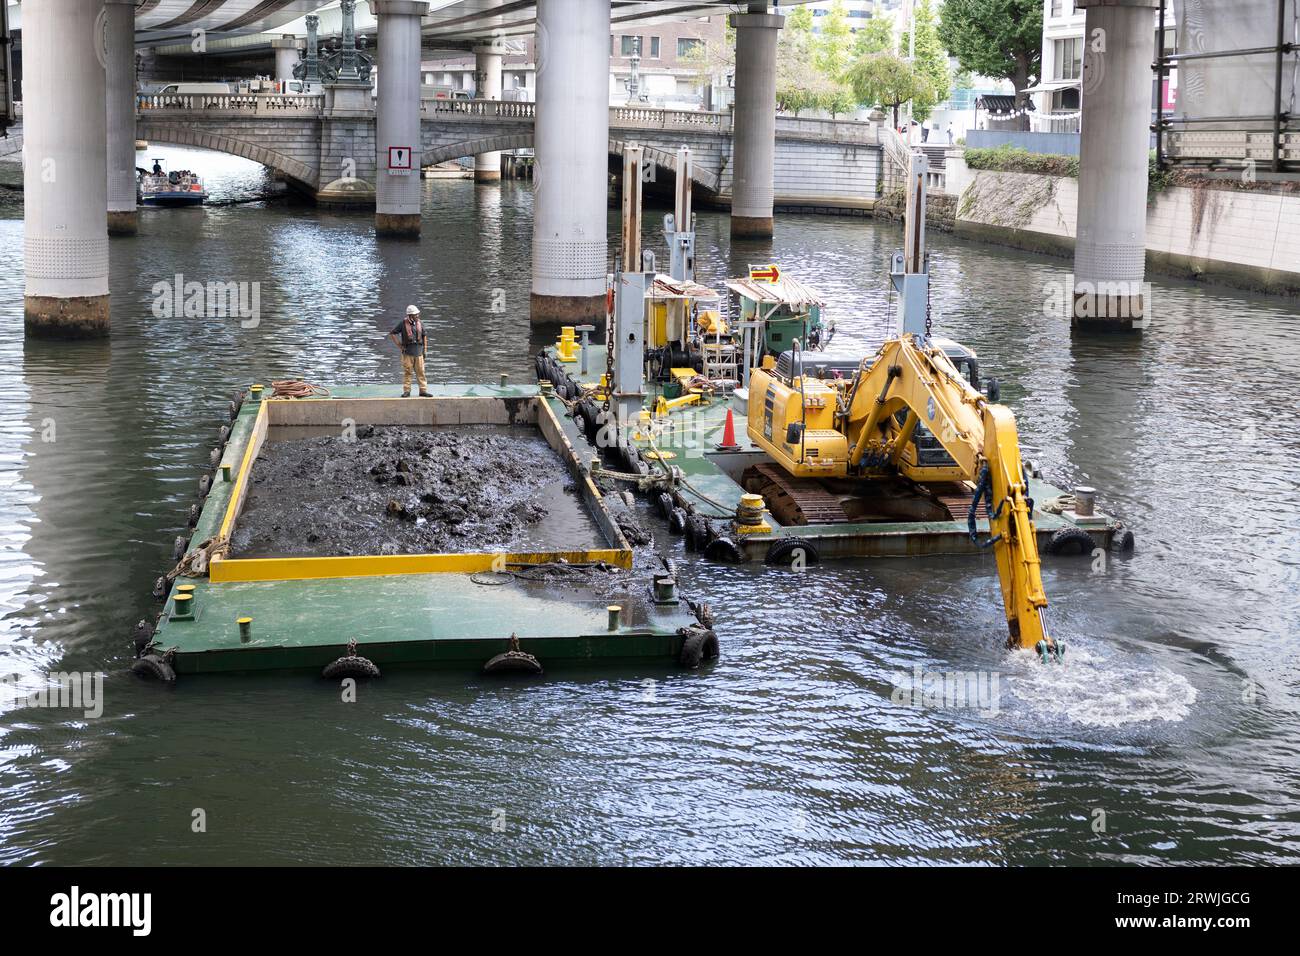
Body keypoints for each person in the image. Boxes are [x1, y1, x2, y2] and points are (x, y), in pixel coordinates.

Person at [389, 305, 431, 397]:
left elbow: (424, 336)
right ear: (410, 315)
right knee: (407, 372)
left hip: (419, 353)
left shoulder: (420, 323)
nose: (417, 316)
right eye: (415, 314)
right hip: (407, 353)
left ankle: (423, 390)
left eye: (417, 314)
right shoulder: (403, 324)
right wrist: (400, 346)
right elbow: (392, 333)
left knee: (421, 372)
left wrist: (425, 350)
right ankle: (407, 391)